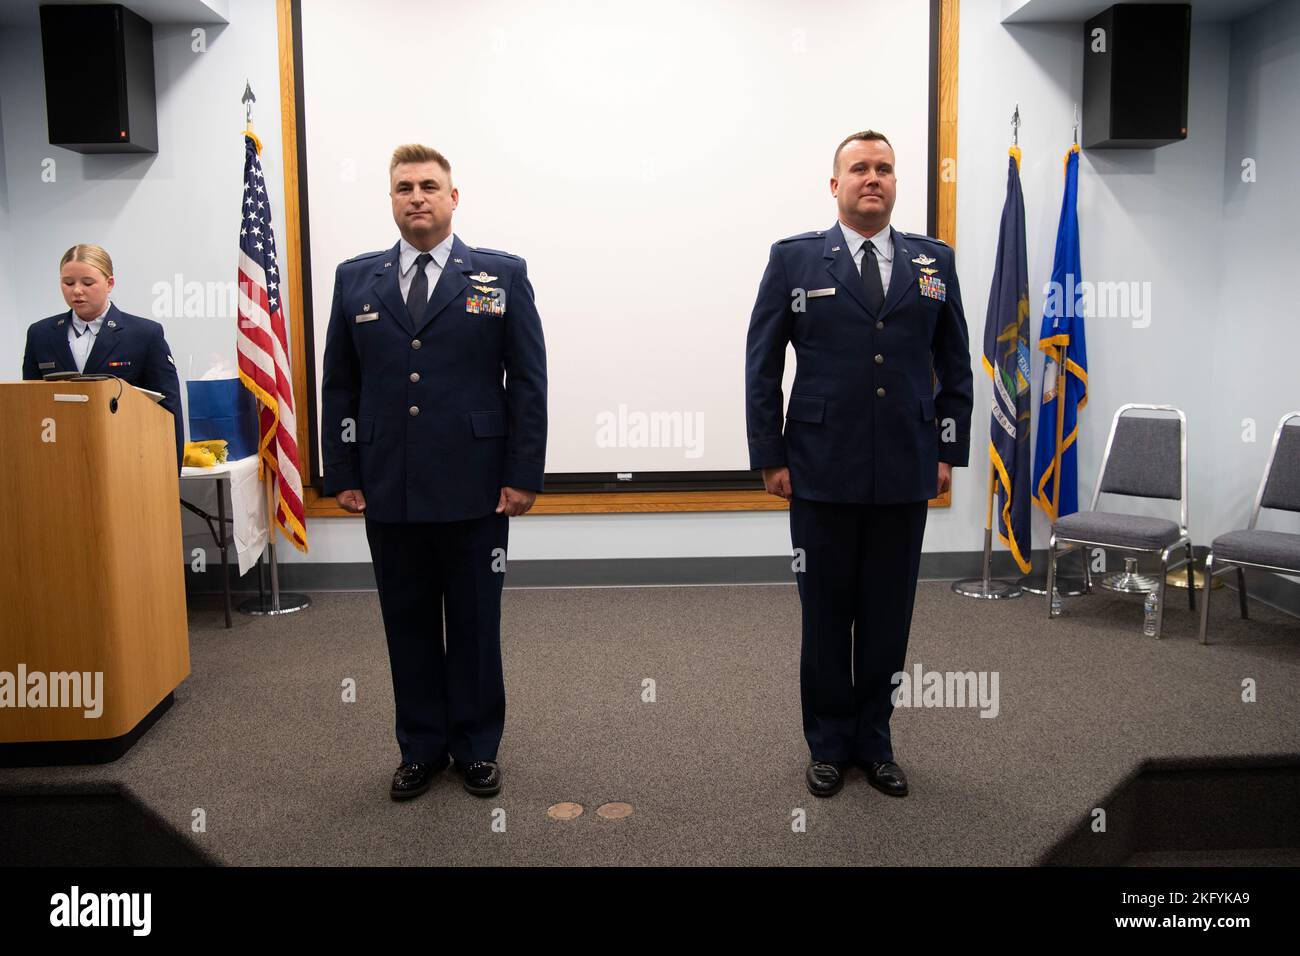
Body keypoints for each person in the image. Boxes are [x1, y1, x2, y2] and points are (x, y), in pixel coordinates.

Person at [745, 130, 973, 798]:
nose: (873, 178)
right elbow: (762, 366)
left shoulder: (933, 262)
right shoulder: (795, 261)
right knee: (825, 613)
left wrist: (948, 451)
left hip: (905, 466)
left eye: (885, 169)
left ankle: (875, 741)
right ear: (835, 184)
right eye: (859, 169)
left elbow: (954, 365)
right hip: (820, 467)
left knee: (887, 615)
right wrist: (770, 456)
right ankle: (827, 743)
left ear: (894, 183)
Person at [322, 144, 547, 801]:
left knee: (476, 622)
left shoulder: (500, 275)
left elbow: (527, 381)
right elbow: (340, 384)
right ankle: (420, 747)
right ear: (391, 201)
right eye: (402, 187)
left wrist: (522, 471)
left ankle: (476, 747)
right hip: (390, 484)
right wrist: (344, 467)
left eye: (428, 185)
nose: (415, 196)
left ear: (453, 198)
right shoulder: (355, 279)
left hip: (477, 485)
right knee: (407, 621)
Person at [22, 244, 184, 471]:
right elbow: (30, 405)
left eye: (87, 283)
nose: (77, 290)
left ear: (109, 284)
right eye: (68, 283)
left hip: (126, 460)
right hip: (59, 462)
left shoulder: (144, 334)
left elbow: (169, 409)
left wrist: (171, 474)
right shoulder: (40, 334)